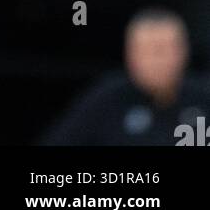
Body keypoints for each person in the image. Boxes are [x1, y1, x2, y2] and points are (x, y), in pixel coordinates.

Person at [39, 8, 210, 145]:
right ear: (130, 55)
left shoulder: (203, 95)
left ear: (184, 51)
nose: (158, 61)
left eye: (165, 50)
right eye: (149, 51)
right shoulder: (106, 99)